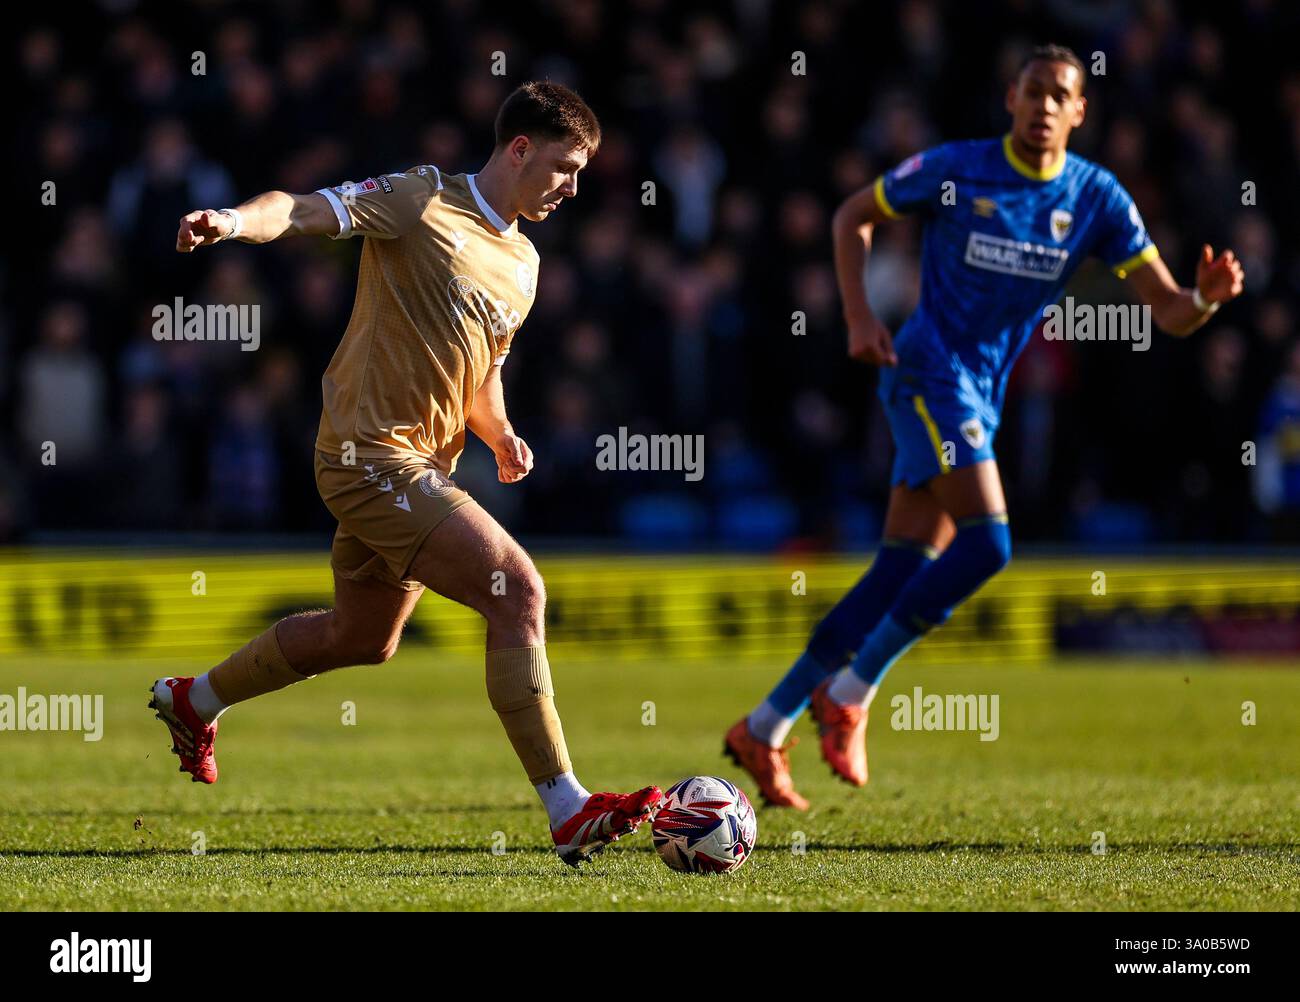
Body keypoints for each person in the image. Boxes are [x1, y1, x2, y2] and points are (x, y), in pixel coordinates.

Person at [152, 81, 662, 866]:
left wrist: (500, 433)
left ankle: (197, 700)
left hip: (422, 462)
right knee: (518, 591)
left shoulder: (522, 262)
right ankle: (566, 807)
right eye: (564, 167)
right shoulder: (420, 199)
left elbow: (480, 368)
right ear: (519, 148)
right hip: (365, 456)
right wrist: (231, 223)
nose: (572, 187)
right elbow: (304, 208)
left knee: (363, 638)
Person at [726, 45, 1246, 809]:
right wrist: (861, 315)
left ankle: (765, 726)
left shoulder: (1096, 198)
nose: (1042, 106)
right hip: (927, 374)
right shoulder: (957, 168)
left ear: (1079, 111)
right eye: (1032, 91)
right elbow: (851, 216)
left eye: (1058, 95)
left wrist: (1203, 300)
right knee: (990, 542)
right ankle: (852, 690)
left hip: (982, 395)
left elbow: (1168, 311)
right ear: (1010, 98)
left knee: (900, 569)